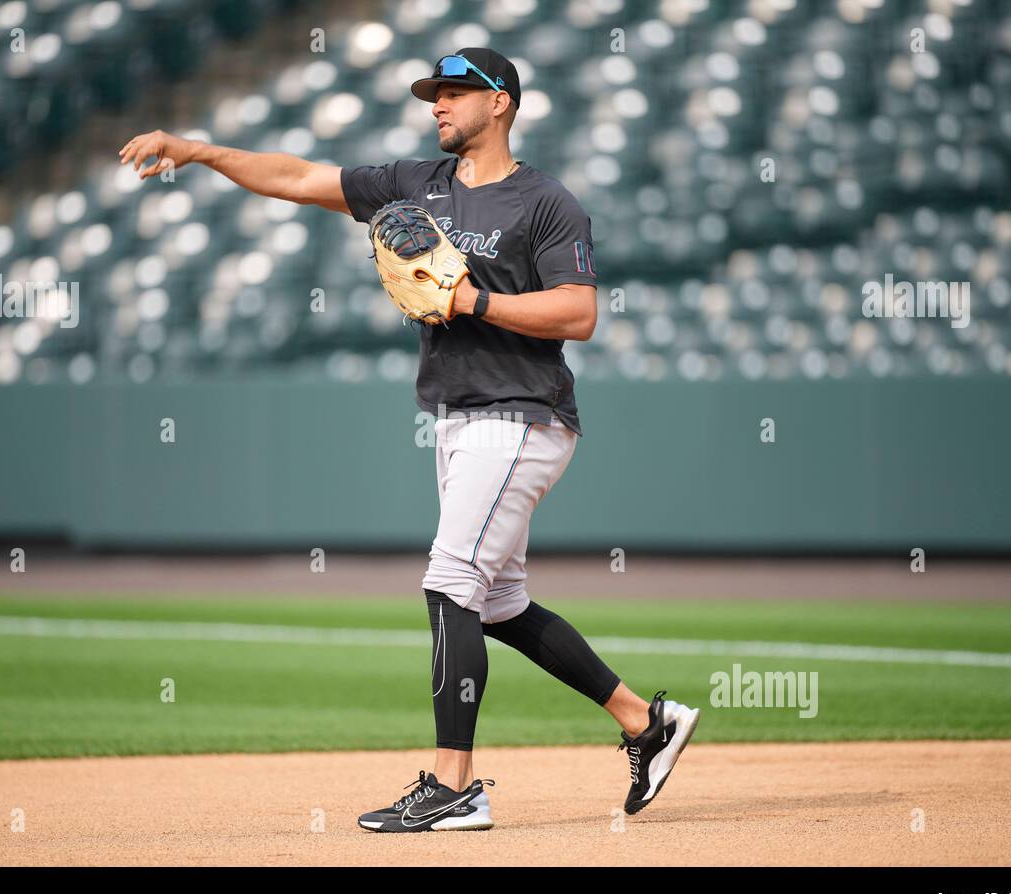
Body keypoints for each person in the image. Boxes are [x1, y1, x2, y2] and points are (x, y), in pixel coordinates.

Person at [118, 48, 700, 834]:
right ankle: (645, 720)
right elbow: (298, 179)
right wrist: (199, 150)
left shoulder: (546, 203)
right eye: (434, 93)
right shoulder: (415, 185)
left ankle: (455, 786)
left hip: (522, 414)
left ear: (502, 103)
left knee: (449, 580)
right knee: (496, 601)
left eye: (456, 92)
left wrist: (470, 298)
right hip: (458, 417)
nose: (439, 104)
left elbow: (577, 314)